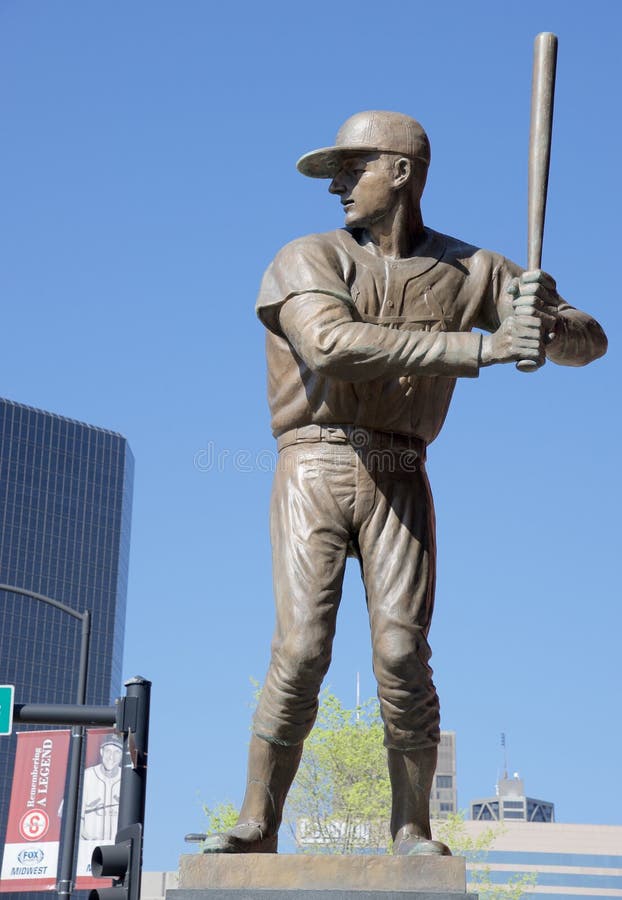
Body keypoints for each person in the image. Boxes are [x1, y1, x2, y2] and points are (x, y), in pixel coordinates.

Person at [203, 111, 607, 856]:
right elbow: (329, 344)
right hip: (314, 462)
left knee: (400, 653)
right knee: (301, 650)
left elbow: (593, 342)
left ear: (401, 171)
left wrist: (544, 324)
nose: (339, 188)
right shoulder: (307, 256)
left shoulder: (474, 270)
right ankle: (258, 820)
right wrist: (482, 348)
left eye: (352, 170)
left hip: (401, 467)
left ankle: (412, 827)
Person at [80, 733, 122, 841]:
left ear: (122, 755)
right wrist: (86, 837)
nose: (111, 757)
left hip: (118, 849)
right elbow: (67, 814)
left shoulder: (127, 779)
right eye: (108, 751)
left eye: (117, 752)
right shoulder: (86, 776)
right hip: (87, 848)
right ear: (101, 752)